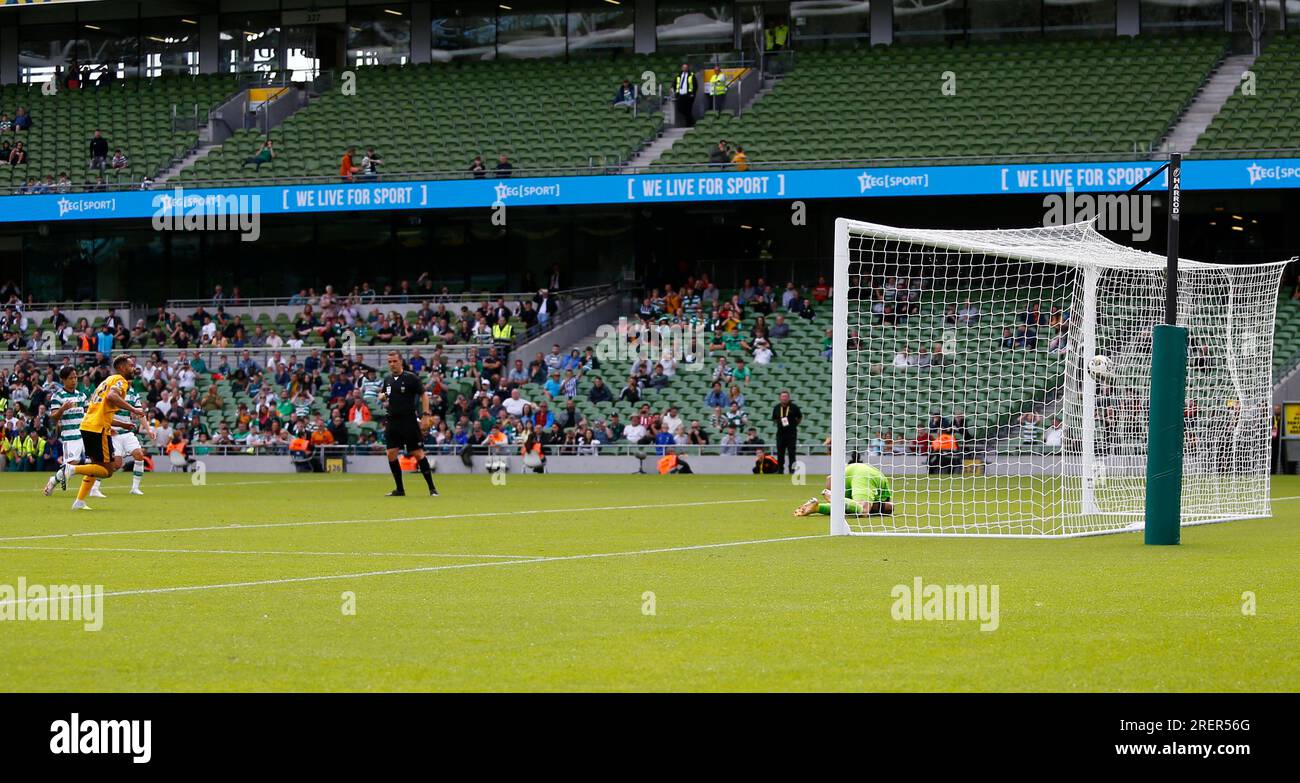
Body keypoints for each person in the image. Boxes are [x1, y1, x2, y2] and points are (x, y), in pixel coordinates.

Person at [44, 354, 145, 510]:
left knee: (95, 465)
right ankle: (72, 469)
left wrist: (122, 424)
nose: (133, 368)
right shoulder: (120, 381)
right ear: (121, 368)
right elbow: (112, 396)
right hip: (98, 429)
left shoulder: (106, 382)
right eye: (130, 365)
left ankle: (79, 501)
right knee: (107, 470)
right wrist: (134, 409)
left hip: (88, 426)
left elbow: (99, 410)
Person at [380, 351, 438, 497]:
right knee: (391, 453)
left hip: (408, 420)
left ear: (401, 361)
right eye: (390, 362)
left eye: (394, 361)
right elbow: (386, 394)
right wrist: (382, 396)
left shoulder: (411, 378)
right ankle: (400, 489)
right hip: (392, 420)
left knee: (417, 453)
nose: (392, 364)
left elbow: (424, 394)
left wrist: (425, 415)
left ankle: (432, 489)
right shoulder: (388, 380)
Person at [794, 461, 893, 517]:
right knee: (863, 510)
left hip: (858, 473)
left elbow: (829, 478)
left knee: (857, 508)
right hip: (864, 473)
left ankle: (818, 507)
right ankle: (826, 501)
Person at [771, 390, 802, 474]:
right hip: (780, 433)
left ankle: (792, 470)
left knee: (792, 453)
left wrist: (794, 424)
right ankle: (780, 470)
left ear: (788, 398)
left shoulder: (794, 407)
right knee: (780, 453)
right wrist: (779, 423)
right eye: (782, 396)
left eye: (786, 396)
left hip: (791, 433)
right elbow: (774, 418)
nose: (784, 398)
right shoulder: (777, 407)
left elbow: (799, 417)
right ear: (780, 398)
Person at [673, 63, 697, 127]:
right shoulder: (678, 75)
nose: (685, 68)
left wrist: (693, 94)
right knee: (680, 109)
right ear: (682, 68)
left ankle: (688, 124)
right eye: (684, 67)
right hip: (680, 95)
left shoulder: (691, 75)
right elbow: (675, 84)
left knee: (688, 110)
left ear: (688, 68)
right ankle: (692, 121)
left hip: (689, 95)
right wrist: (674, 90)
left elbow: (695, 85)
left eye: (686, 67)